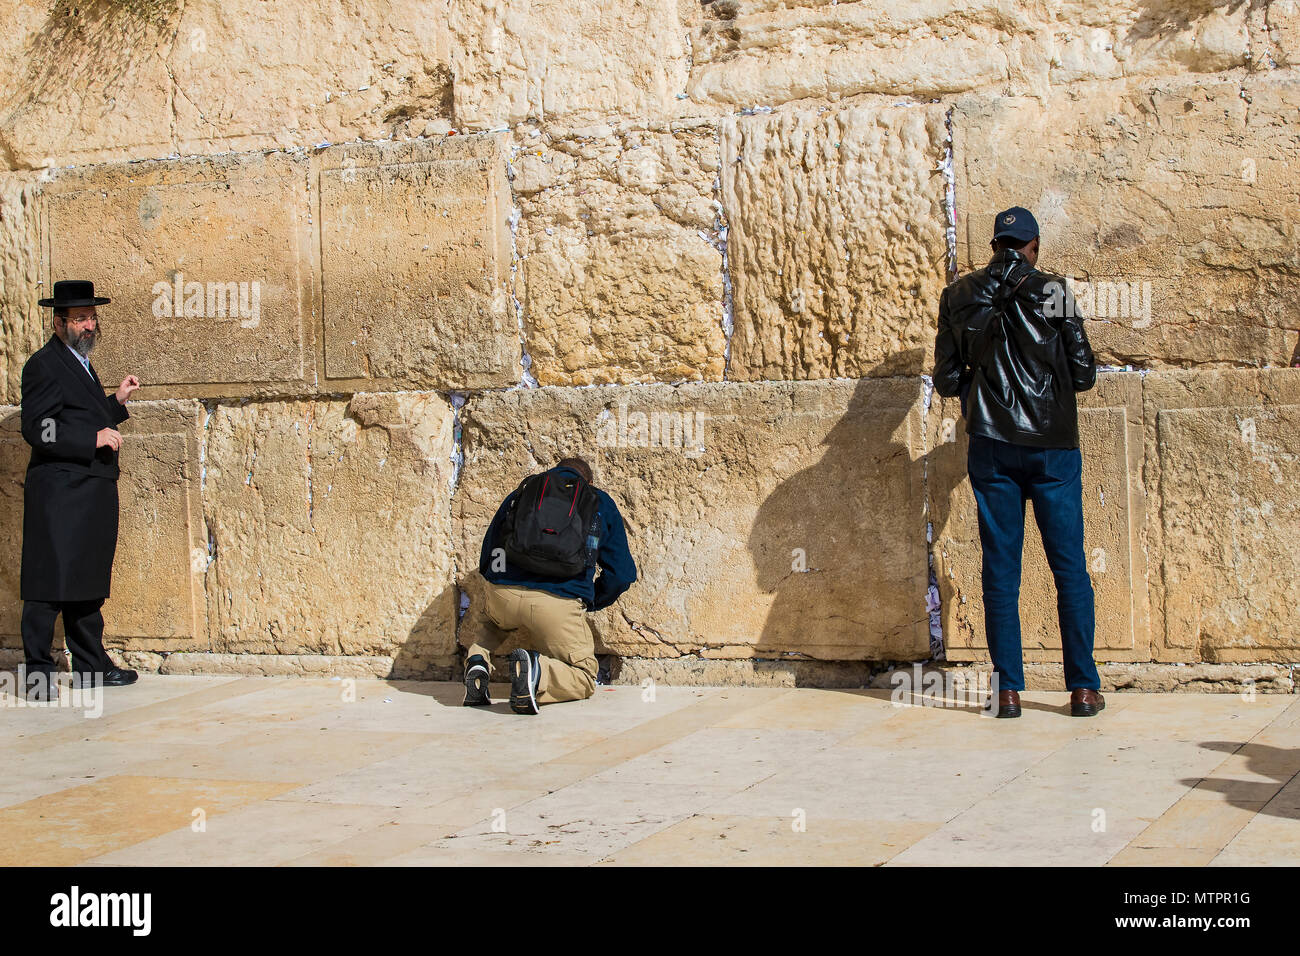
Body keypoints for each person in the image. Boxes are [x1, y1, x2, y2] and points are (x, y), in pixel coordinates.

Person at [933, 207, 1104, 719]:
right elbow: (1083, 375)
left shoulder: (958, 296)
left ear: (995, 246)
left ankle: (1007, 692)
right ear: (1033, 246)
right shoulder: (1053, 291)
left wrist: (982, 397)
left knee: (1001, 570)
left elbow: (945, 380)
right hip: (1052, 447)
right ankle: (1083, 690)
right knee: (1069, 566)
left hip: (992, 446)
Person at [20, 280, 141, 700]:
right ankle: (37, 677)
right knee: (48, 586)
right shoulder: (43, 364)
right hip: (59, 494)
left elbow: (82, 417)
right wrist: (90, 440)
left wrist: (116, 402)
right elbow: (38, 427)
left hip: (88, 492)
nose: (88, 325)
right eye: (79, 318)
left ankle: (91, 669)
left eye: (92, 317)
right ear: (59, 322)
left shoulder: (81, 363)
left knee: (86, 586)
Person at [465, 456, 636, 714]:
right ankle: (538, 673)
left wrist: (498, 583)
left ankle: (477, 660)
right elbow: (622, 574)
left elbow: (489, 550)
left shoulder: (524, 491)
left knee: (492, 621)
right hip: (558, 603)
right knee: (584, 675)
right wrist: (589, 600)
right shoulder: (598, 501)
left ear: (554, 472)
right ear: (587, 481)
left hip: (504, 595)